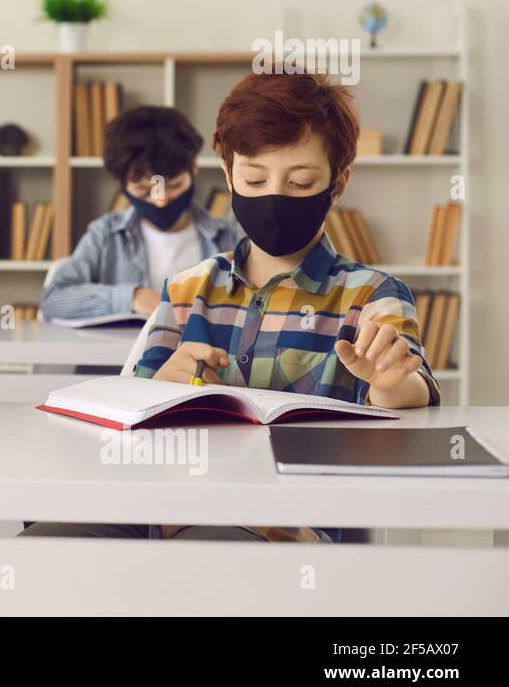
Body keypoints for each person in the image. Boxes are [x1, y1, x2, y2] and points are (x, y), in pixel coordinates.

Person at [24, 71, 437, 542]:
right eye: (255, 179)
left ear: (337, 184)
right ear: (227, 176)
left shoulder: (373, 294)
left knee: (209, 555)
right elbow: (128, 411)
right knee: (49, 542)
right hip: (163, 501)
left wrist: (389, 384)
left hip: (284, 524)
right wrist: (161, 385)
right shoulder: (187, 287)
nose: (274, 197)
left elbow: (413, 393)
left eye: (301, 183)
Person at [41, 106, 239, 321]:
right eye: (145, 191)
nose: (160, 200)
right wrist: (132, 297)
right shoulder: (106, 235)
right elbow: (53, 299)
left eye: (173, 185)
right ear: (122, 183)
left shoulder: (228, 237)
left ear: (194, 167)